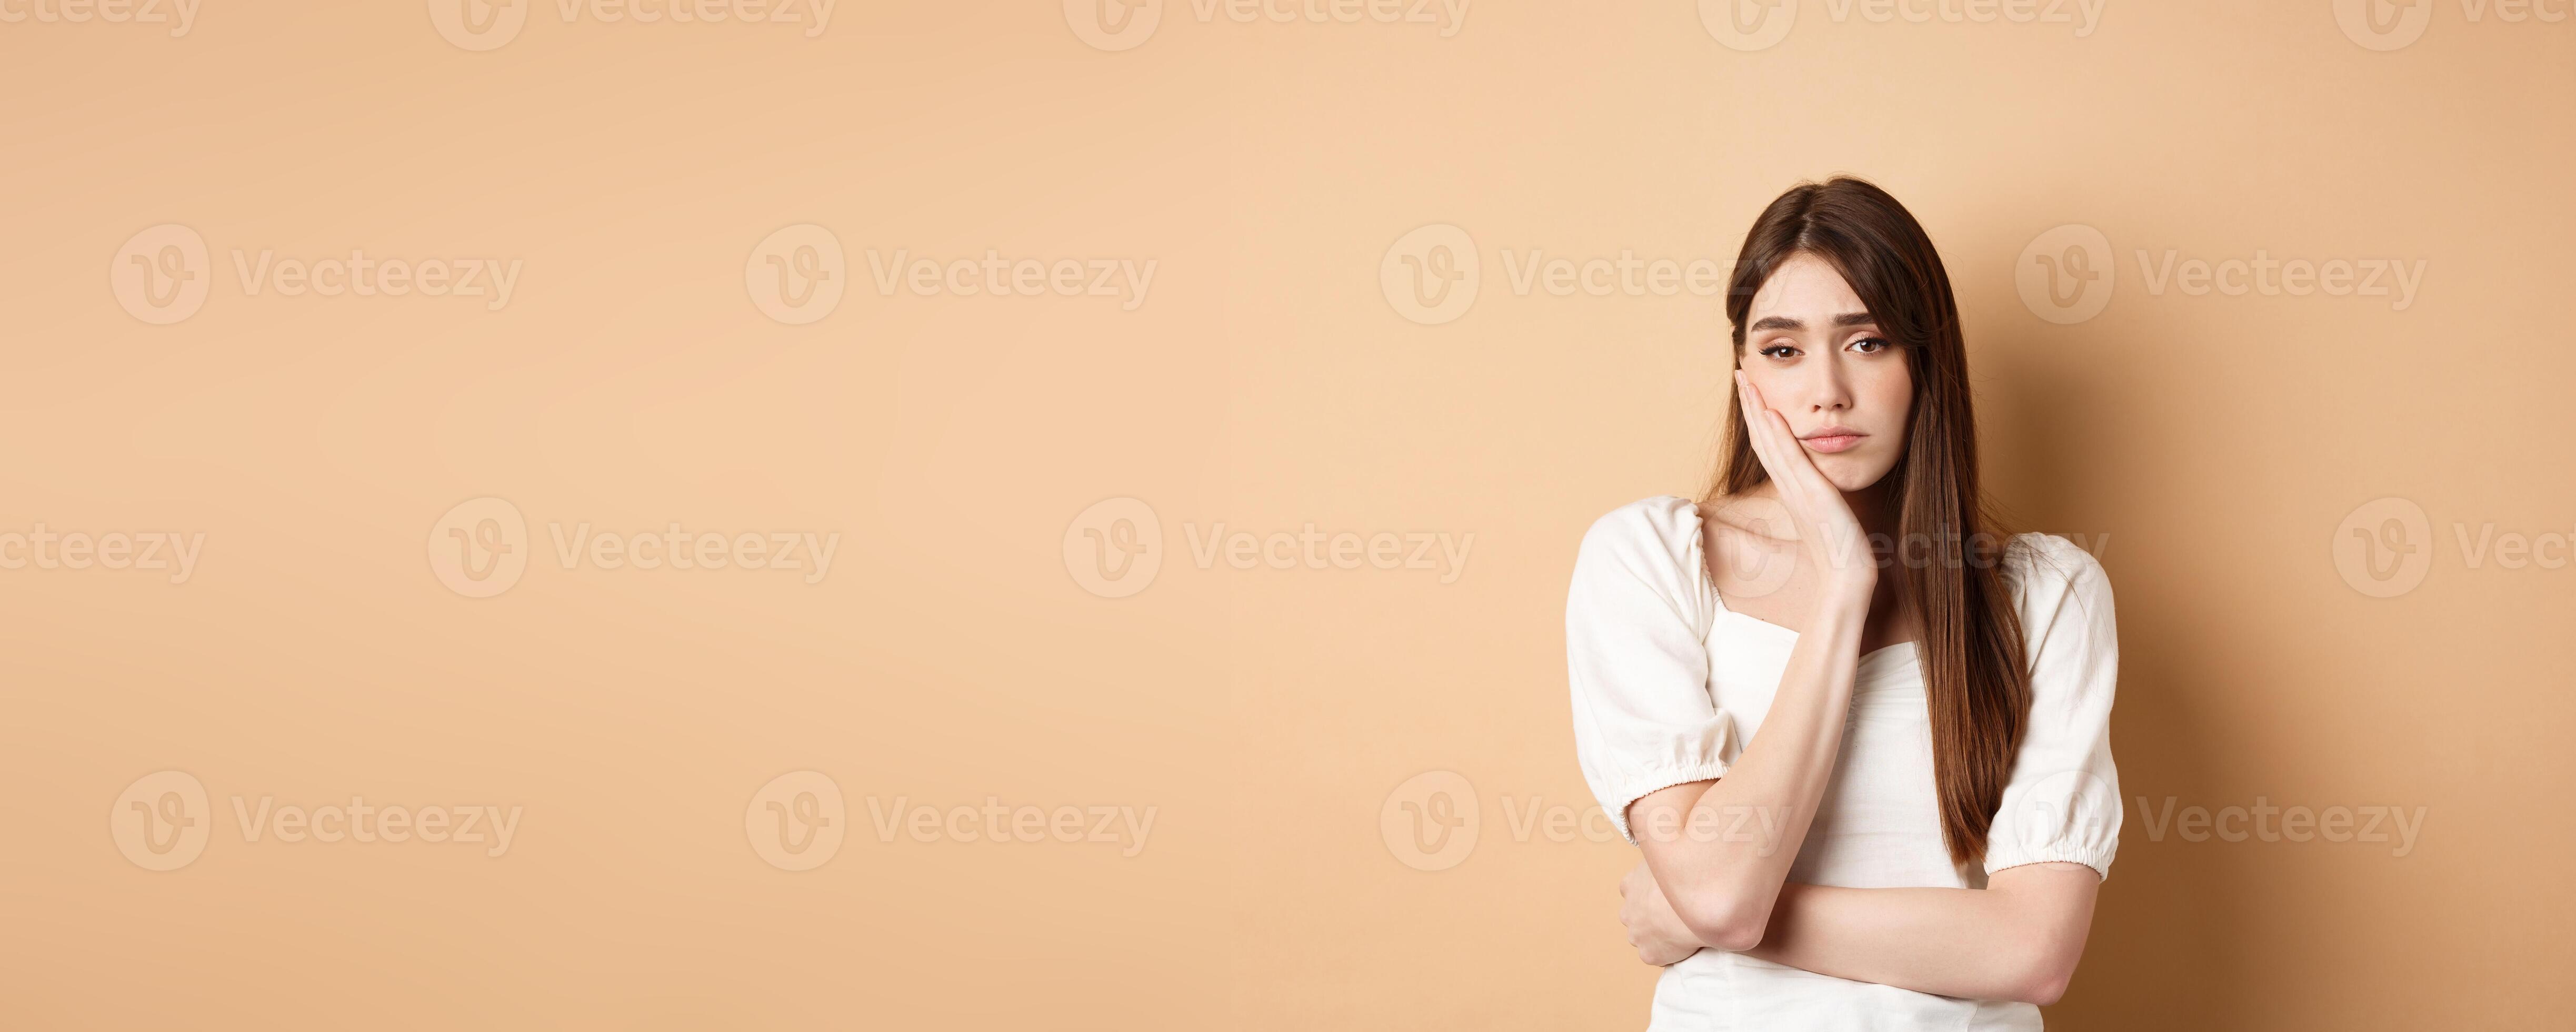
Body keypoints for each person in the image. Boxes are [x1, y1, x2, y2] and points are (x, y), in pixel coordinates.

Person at [1565, 176, 2122, 1029]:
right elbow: (1719, 888)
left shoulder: (2047, 594)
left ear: (1923, 363)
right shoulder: (1649, 559)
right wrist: (1841, 589)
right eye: (1783, 350)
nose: (1826, 390)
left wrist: (1702, 914)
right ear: (1743, 373)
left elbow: (2033, 952)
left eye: (1866, 343)